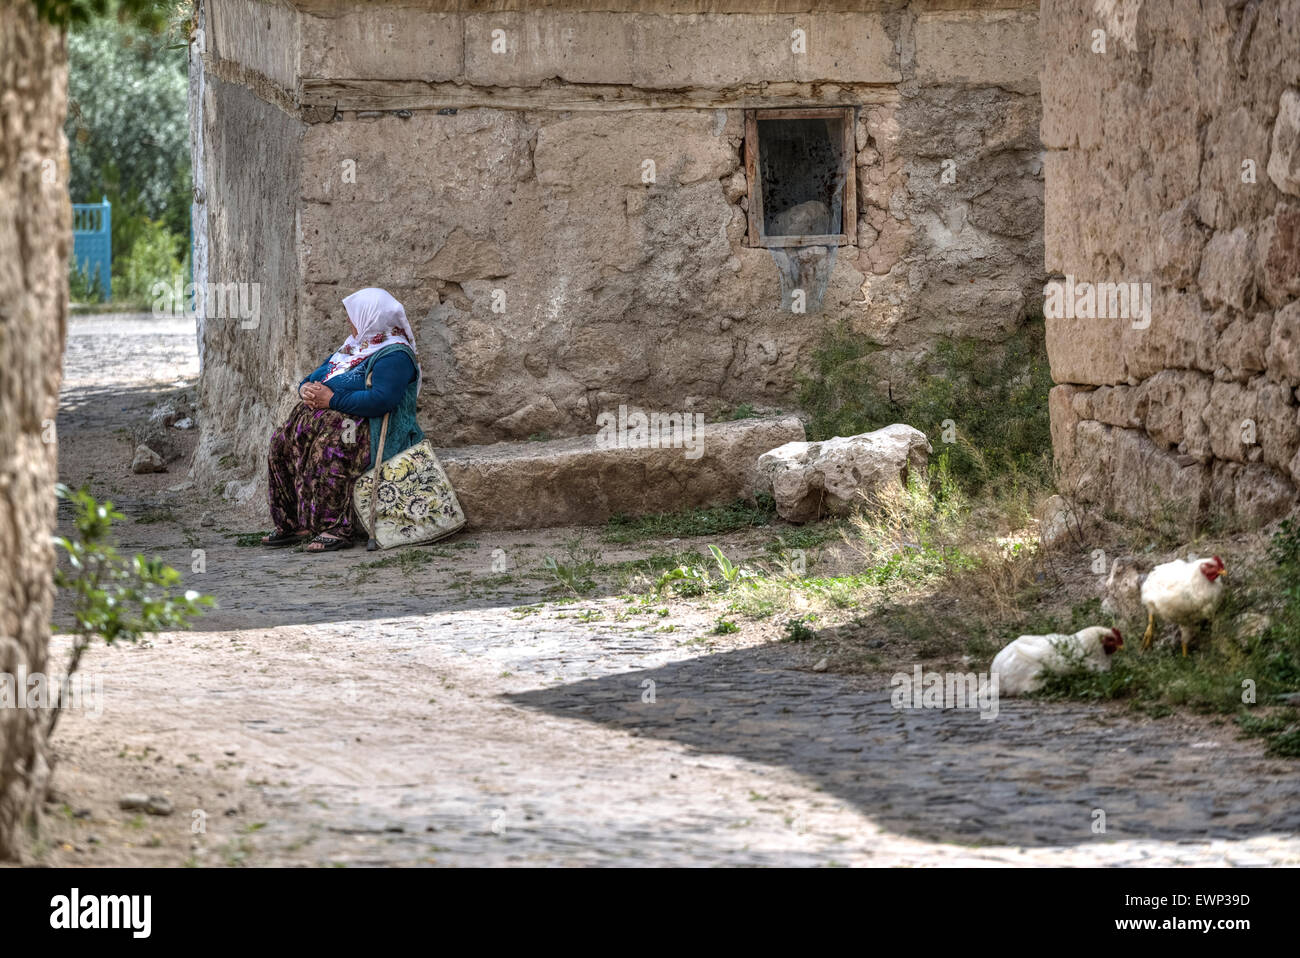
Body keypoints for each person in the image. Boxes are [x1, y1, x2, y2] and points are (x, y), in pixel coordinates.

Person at [262, 288, 423, 552]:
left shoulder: (395, 355)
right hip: (330, 420)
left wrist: (331, 400)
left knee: (331, 448)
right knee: (280, 443)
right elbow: (315, 375)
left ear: (371, 317)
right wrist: (306, 390)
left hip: (366, 429)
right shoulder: (353, 347)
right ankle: (294, 523)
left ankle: (334, 528)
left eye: (353, 316)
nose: (350, 322)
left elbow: (382, 400)